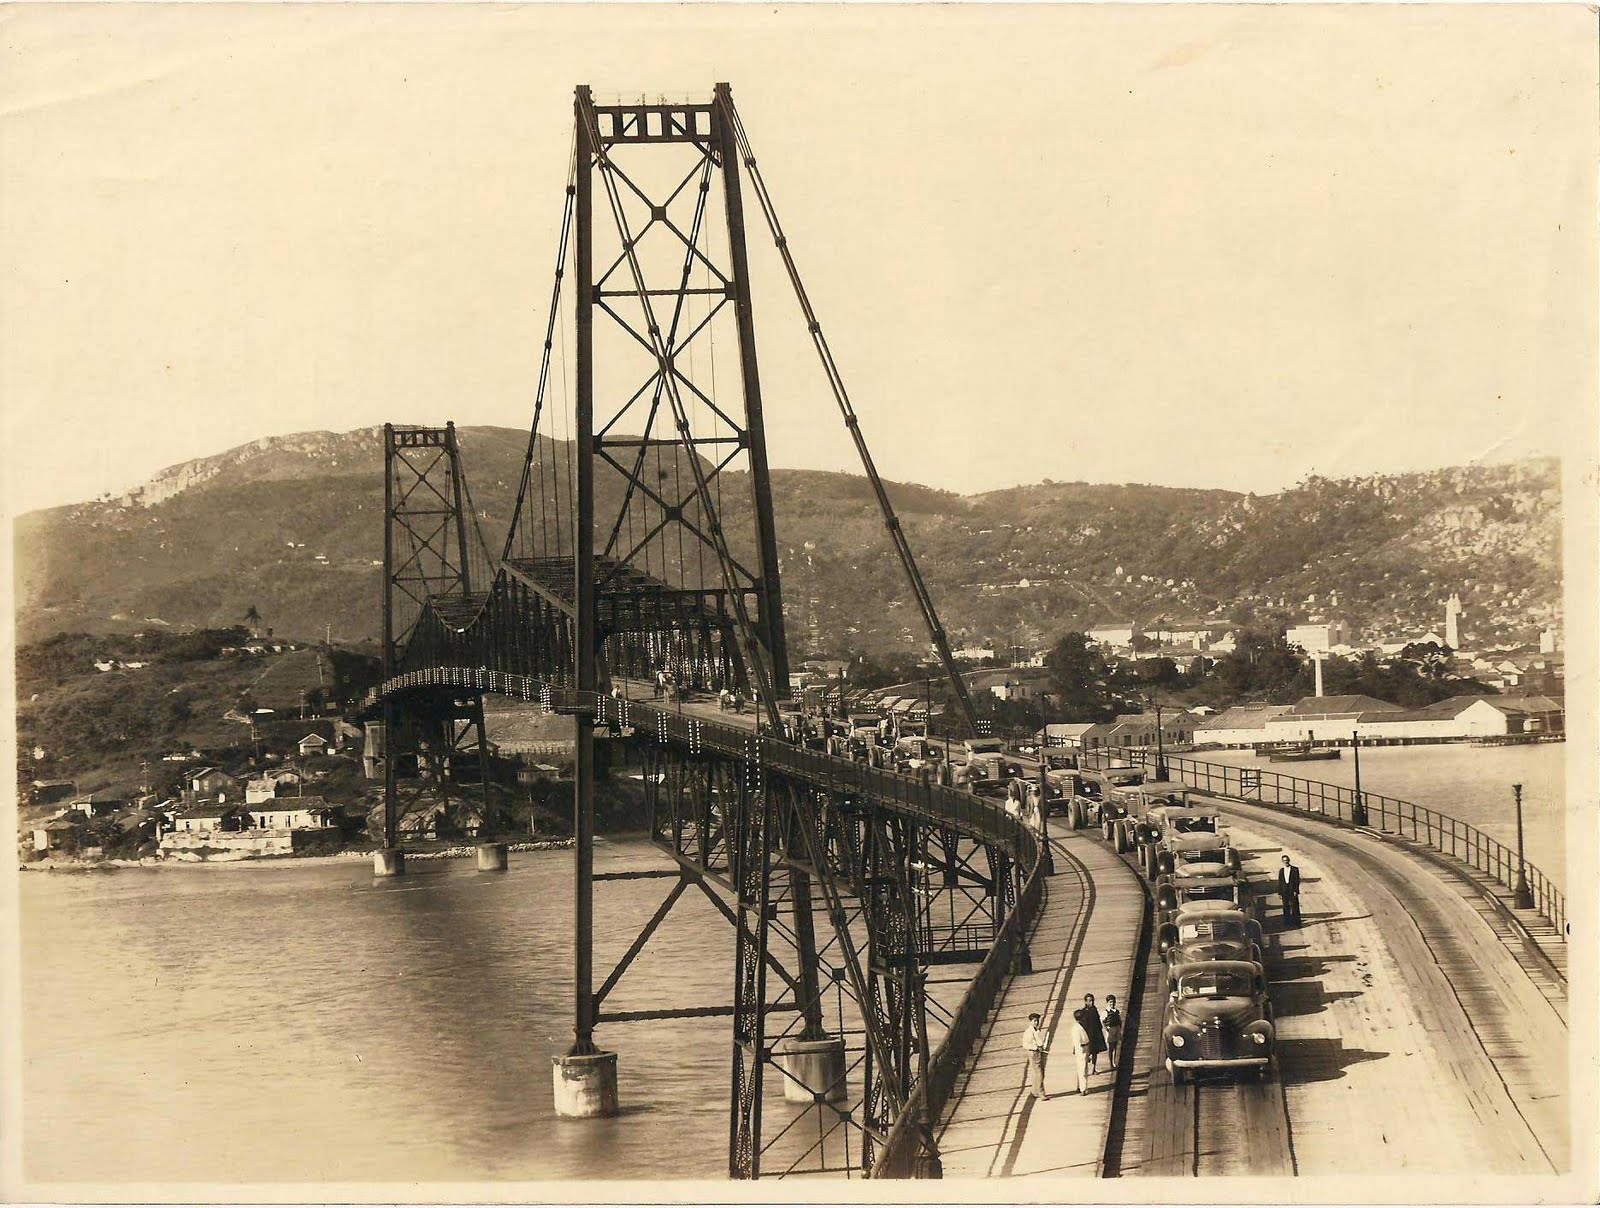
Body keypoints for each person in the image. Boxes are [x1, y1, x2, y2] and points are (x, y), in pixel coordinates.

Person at [1020, 1011, 1050, 1099]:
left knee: (1036, 1072)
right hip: (1034, 1052)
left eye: (1037, 1021)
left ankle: (1035, 1091)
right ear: (1030, 1021)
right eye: (1034, 1021)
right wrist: (1036, 1047)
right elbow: (1025, 1045)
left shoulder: (1036, 1030)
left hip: (1038, 1052)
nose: (1036, 1023)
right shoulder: (1029, 1032)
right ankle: (1041, 1093)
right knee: (1039, 1073)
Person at [1278, 854, 1302, 927]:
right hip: (1285, 891)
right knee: (1286, 906)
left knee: (1295, 906)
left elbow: (1297, 881)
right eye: (1284, 861)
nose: (1286, 862)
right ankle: (1287, 922)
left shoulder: (1295, 869)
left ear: (1289, 860)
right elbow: (1280, 882)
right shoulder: (1281, 871)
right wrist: (1279, 892)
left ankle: (1297, 922)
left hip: (1292, 890)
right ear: (1282, 862)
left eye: (1287, 860)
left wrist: (1296, 891)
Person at [1101, 994, 1123, 1071]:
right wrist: (1106, 1028)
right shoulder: (1106, 1012)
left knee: (1116, 1046)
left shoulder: (1117, 1011)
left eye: (1113, 1002)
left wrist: (1120, 1029)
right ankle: (1111, 1063)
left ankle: (1114, 1062)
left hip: (1116, 1028)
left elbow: (1120, 1021)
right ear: (1107, 1003)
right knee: (1111, 1047)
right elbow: (1102, 1021)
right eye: (1110, 1002)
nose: (1112, 1004)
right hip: (1110, 1030)